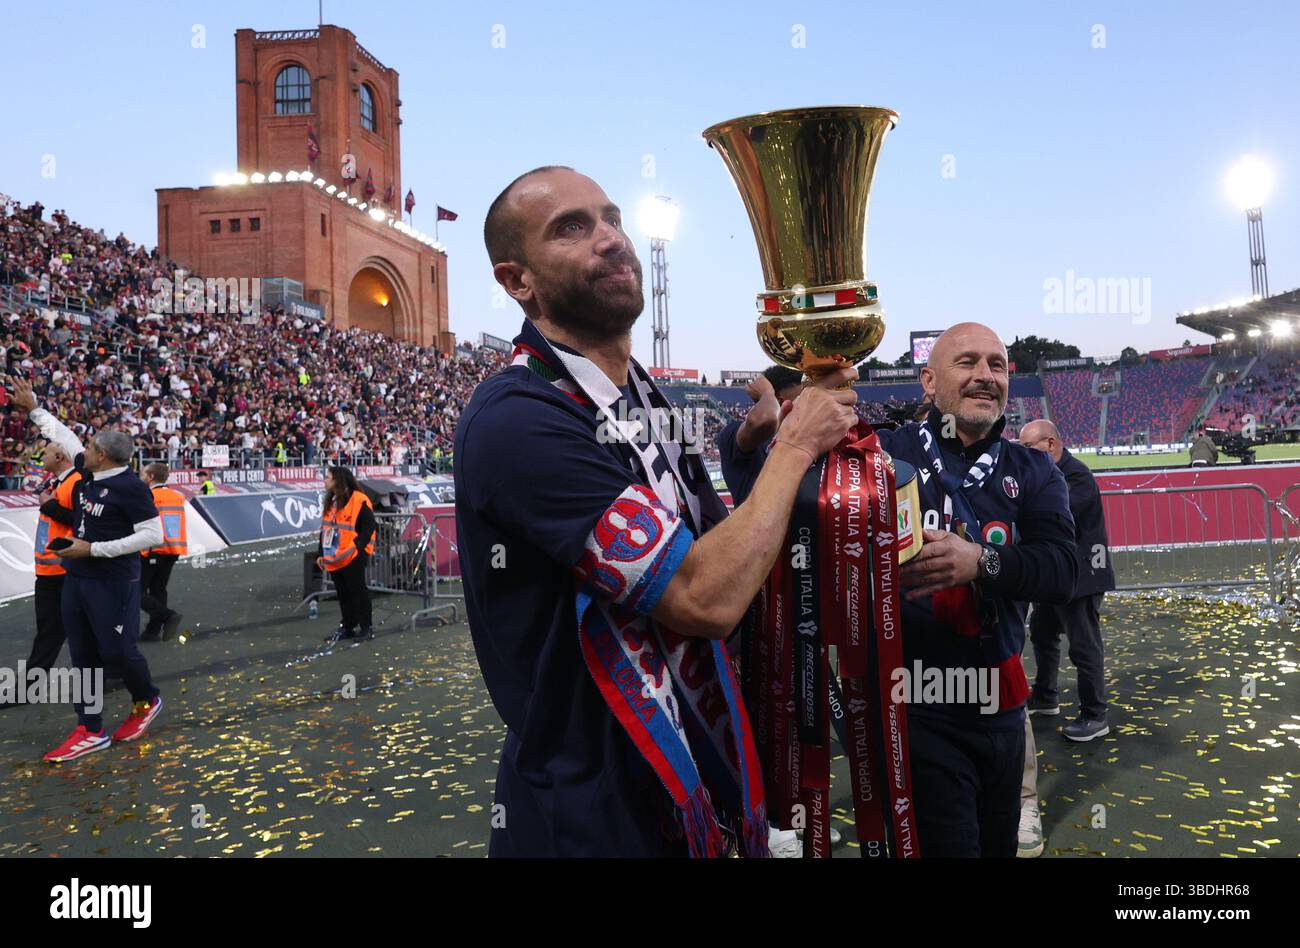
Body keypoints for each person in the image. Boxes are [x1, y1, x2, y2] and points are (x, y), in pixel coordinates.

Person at [455, 166, 857, 857]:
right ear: (517, 282)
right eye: (572, 228)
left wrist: (747, 452)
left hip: (686, 793)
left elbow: (700, 541)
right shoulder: (517, 418)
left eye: (612, 218)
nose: (611, 239)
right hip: (590, 817)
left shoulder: (641, 396)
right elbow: (703, 596)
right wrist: (795, 447)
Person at [875, 325, 1080, 857]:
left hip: (1001, 706)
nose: (985, 376)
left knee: (998, 849)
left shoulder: (1034, 469)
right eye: (967, 362)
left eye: (997, 365)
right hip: (916, 701)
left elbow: (1063, 570)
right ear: (928, 380)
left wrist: (980, 561)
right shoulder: (878, 456)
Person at [5, 374, 165, 762]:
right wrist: (34, 409)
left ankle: (146, 699)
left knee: (116, 650)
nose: (83, 448)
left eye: (91, 446)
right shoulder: (89, 471)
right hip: (78, 578)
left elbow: (152, 535)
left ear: (104, 456)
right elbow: (64, 434)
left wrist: (93, 548)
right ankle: (90, 727)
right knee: (81, 654)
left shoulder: (131, 488)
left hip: (113, 581)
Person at [1018, 420, 1115, 741]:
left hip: (1083, 576)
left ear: (1050, 445)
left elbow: (1056, 513)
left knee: (1084, 646)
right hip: (1057, 575)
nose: (1022, 453)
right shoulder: (1051, 474)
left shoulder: (1077, 475)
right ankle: (1045, 696)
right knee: (1043, 634)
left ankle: (1095, 715)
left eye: (1028, 447)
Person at [0, 443, 82, 711]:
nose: (40, 457)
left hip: (63, 570)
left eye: (44, 453)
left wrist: (48, 506)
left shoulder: (75, 482)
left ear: (59, 456)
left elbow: (81, 521)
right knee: (52, 632)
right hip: (52, 570)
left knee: (58, 631)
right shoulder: (60, 483)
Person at [317, 466, 376, 644]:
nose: (325, 480)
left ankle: (366, 627)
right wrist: (320, 553)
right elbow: (325, 529)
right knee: (343, 592)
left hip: (353, 554)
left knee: (357, 590)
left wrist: (358, 546)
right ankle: (348, 626)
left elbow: (369, 525)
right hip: (335, 555)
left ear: (337, 480)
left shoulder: (359, 499)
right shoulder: (332, 501)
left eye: (328, 477)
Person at [138, 462, 186, 642]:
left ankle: (167, 616)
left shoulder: (148, 495)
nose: (141, 477)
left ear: (150, 477)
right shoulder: (177, 496)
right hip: (173, 548)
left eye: (143, 474)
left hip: (152, 548)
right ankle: (153, 630)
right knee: (158, 589)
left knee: (136, 592)